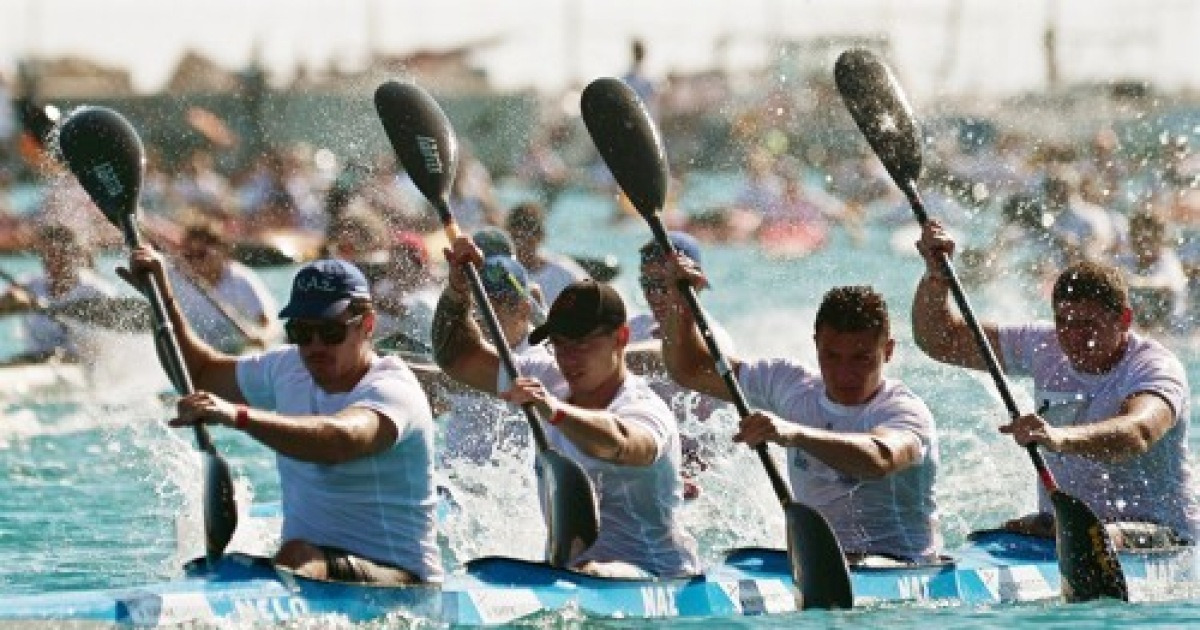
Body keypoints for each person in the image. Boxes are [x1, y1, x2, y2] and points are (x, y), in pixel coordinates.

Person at [122, 250, 443, 584]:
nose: (315, 346)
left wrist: (239, 417)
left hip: (402, 580)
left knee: (297, 554)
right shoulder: (288, 367)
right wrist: (161, 299)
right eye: (302, 332)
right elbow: (199, 374)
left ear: (367, 325)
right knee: (222, 568)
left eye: (331, 332)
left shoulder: (392, 390)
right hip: (313, 567)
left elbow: (339, 441)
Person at [913, 220, 1199, 547]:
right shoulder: (1042, 345)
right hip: (1063, 532)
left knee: (1099, 537)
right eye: (1063, 322)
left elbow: (1138, 433)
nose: (1074, 336)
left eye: (1087, 324)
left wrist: (1057, 437)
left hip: (1164, 536)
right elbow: (941, 340)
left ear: (1124, 319)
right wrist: (936, 276)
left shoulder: (1154, 367)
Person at [433, 235, 700, 578]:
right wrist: (457, 291)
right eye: (559, 343)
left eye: (583, 343)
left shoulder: (642, 407)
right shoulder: (549, 376)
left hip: (656, 576)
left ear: (621, 338)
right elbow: (455, 356)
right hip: (572, 574)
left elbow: (623, 443)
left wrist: (555, 411)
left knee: (590, 571)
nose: (568, 357)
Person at [661, 257, 942, 564]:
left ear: (887, 351)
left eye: (861, 358)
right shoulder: (790, 385)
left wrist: (793, 433)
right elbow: (689, 370)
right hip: (820, 565)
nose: (844, 373)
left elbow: (880, 458)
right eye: (831, 356)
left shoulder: (903, 411)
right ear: (815, 345)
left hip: (901, 562)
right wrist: (681, 304)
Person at [627, 232, 735, 499]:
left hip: (707, 476)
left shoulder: (713, 338)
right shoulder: (637, 328)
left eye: (663, 284)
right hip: (655, 458)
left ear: (694, 285)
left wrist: (607, 355)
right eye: (647, 284)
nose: (654, 295)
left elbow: (671, 357)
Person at [440, 255, 549, 465]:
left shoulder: (537, 365)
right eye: (475, 310)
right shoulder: (474, 357)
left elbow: (451, 357)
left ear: (523, 311)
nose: (481, 320)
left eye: (492, 311)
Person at [0, 222, 116, 364]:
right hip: (35, 361)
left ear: (74, 256)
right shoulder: (27, 285)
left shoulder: (96, 291)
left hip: (81, 364)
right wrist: (9, 304)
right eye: (46, 255)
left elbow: (107, 347)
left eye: (58, 255)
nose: (51, 261)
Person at [172, 220, 280, 353]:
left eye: (201, 254)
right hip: (196, 356)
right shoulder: (175, 278)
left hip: (235, 356)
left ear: (221, 251)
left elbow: (270, 327)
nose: (195, 262)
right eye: (188, 256)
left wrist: (261, 337)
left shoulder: (241, 280)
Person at [505, 201, 589, 306]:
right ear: (507, 238)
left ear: (541, 237)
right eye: (516, 239)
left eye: (527, 239)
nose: (521, 246)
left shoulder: (565, 273)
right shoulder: (498, 273)